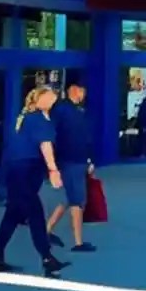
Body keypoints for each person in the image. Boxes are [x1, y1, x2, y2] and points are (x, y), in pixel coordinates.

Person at [0, 86, 67, 276]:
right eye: (49, 98)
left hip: (16, 171)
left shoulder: (22, 118)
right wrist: (53, 169)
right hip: (26, 171)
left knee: (13, 215)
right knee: (35, 214)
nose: (53, 101)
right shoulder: (38, 119)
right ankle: (47, 258)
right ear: (39, 99)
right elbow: (45, 144)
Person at [47, 79, 97, 252]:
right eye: (82, 90)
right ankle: (78, 242)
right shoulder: (63, 110)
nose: (84, 94)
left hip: (76, 160)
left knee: (69, 199)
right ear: (73, 90)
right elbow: (54, 136)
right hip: (70, 160)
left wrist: (89, 159)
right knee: (77, 200)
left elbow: (84, 138)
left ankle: (47, 230)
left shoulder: (77, 111)